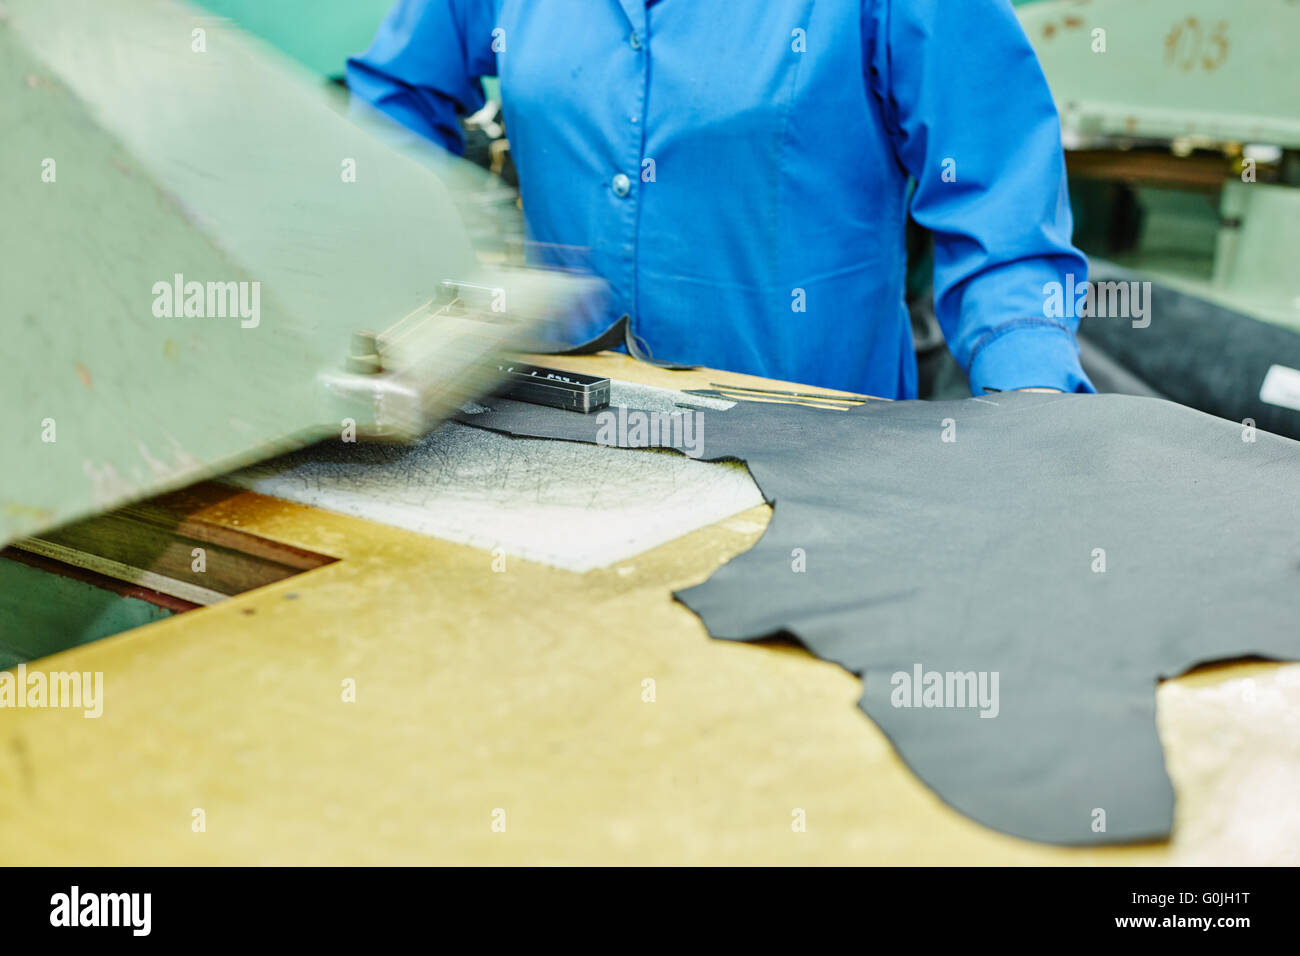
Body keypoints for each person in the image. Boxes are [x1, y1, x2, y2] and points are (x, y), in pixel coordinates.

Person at [348, 0, 1093, 398]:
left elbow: (999, 209)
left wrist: (1032, 403)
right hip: (557, 440)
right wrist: (433, 275)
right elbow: (395, 96)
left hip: (816, 460)